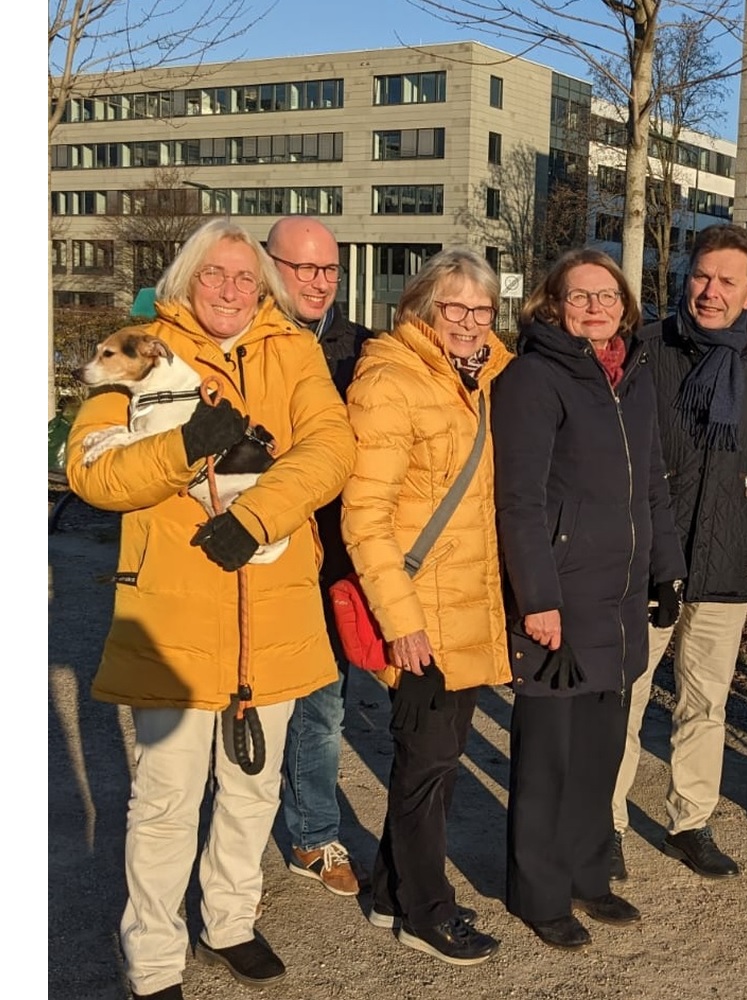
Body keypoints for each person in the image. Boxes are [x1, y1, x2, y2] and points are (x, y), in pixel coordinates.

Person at [66, 218, 355, 1000]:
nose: (231, 291)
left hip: (275, 605)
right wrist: (187, 444)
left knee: (253, 788)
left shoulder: (291, 350)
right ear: (187, 280)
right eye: (215, 275)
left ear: (263, 287)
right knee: (166, 798)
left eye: (245, 279)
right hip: (175, 614)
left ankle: (228, 920)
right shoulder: (142, 348)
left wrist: (258, 518)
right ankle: (153, 960)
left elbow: (331, 449)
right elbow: (93, 474)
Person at [494, 249, 686, 951]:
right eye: (581, 298)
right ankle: (537, 891)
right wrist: (537, 598)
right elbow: (518, 502)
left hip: (621, 599)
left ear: (626, 304)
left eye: (607, 296)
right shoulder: (532, 379)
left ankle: (585, 874)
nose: (597, 308)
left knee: (601, 750)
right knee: (548, 756)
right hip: (563, 602)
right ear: (552, 305)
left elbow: (653, 489)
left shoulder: (631, 376)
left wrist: (668, 570)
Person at [609, 225, 747, 881]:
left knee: (704, 703)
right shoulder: (648, 350)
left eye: (727, 281)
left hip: (728, 563)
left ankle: (689, 821)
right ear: (684, 277)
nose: (711, 291)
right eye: (701, 276)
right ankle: (604, 822)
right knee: (625, 696)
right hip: (648, 562)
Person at [340, 248, 514, 965]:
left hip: (468, 603)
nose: (471, 323)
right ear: (422, 309)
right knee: (427, 768)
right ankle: (426, 911)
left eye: (483, 310)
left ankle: (389, 891)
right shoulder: (391, 380)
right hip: (424, 614)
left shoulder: (476, 378)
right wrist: (401, 619)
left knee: (432, 763)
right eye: (456, 308)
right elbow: (365, 516)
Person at [267, 215, 373, 898]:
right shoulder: (242, 344)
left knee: (323, 703)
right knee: (240, 704)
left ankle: (310, 834)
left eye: (329, 269)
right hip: (254, 552)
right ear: (271, 265)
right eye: (304, 267)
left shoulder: (361, 348)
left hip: (330, 556)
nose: (318, 280)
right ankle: (231, 828)